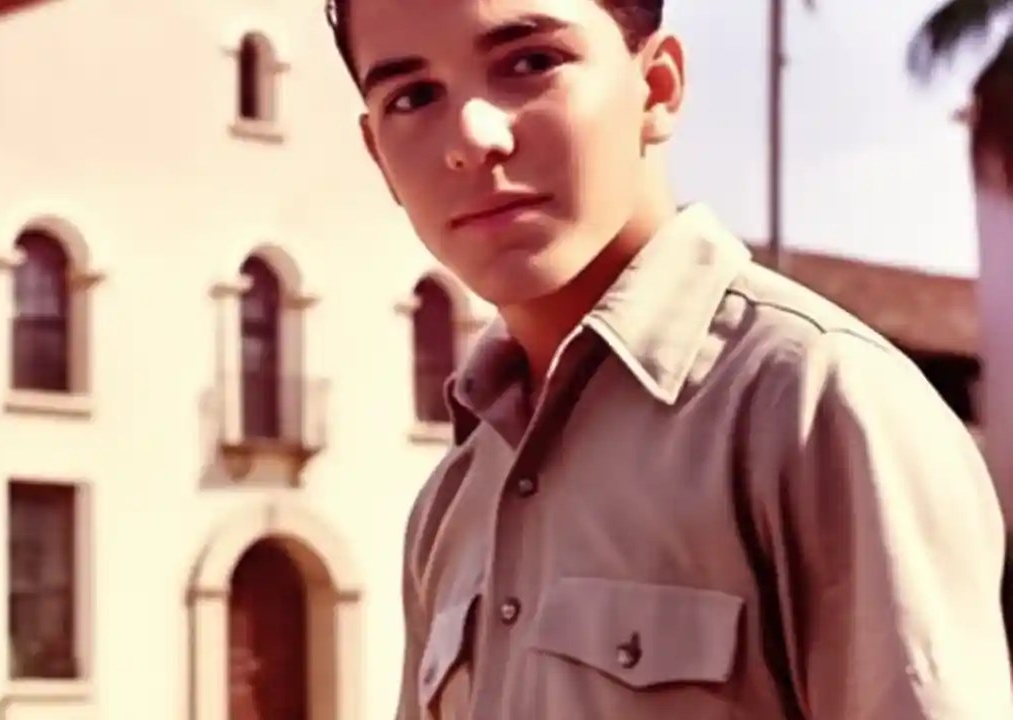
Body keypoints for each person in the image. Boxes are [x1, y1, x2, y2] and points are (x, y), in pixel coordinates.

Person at [324, 0, 1013, 717]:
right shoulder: (453, 501)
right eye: (413, 97)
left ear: (657, 86)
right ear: (378, 156)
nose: (473, 138)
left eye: (530, 62)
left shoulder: (818, 404)